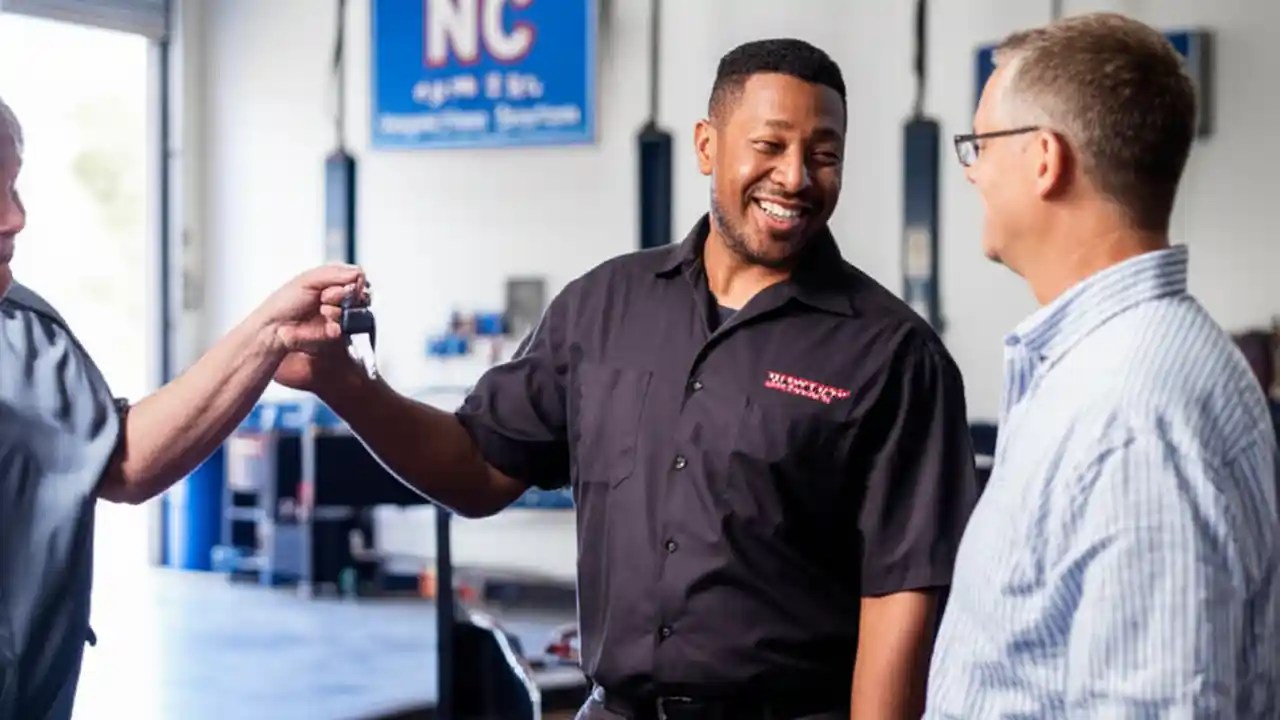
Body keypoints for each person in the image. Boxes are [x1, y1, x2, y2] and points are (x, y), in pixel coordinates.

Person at [281, 39, 980, 719]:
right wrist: (347, 386)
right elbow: (476, 471)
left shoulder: (892, 356)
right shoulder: (603, 308)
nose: (796, 176)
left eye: (824, 155)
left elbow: (902, 597)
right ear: (708, 145)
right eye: (769, 146)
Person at [926, 13, 1280, 718]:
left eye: (980, 145)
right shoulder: (1110, 370)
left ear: (1044, 160)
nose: (971, 171)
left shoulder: (1131, 416)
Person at [0, 97, 367, 719]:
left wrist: (269, 333)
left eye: (12, 188)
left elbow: (121, 460)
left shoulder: (25, 333)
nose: (16, 217)